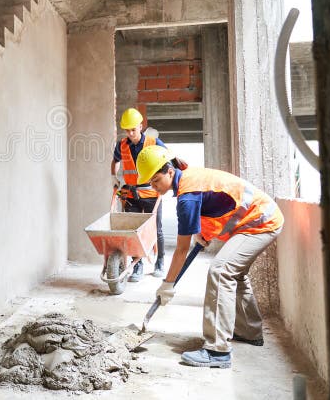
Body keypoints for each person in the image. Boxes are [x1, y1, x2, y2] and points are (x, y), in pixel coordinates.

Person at [136, 145, 284, 369]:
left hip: (260, 222)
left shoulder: (187, 197)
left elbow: (181, 250)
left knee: (221, 271)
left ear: (170, 171)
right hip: (257, 219)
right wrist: (203, 234)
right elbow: (215, 204)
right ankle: (249, 331)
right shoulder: (188, 180)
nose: (154, 187)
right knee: (235, 273)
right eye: (150, 183)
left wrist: (167, 284)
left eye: (156, 180)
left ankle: (217, 351)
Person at [110, 107, 167, 280]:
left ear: (140, 127)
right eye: (127, 130)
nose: (130, 133)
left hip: (151, 193)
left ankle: (160, 262)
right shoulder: (122, 145)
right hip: (131, 194)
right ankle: (137, 266)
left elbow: (167, 159)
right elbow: (115, 161)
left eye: (133, 130)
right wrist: (114, 177)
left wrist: (164, 181)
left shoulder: (154, 142)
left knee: (156, 229)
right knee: (133, 230)